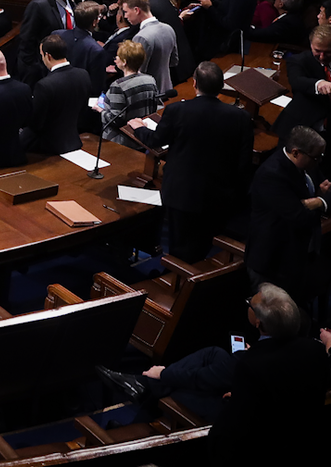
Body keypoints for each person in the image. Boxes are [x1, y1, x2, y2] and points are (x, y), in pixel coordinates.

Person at [97, 285, 329, 467]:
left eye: (250, 304)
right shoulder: (314, 350)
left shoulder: (249, 364)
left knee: (175, 384)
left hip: (257, 437)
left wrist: (165, 373)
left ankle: (141, 406)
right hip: (294, 421)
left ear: (258, 323)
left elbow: (212, 390)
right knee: (213, 353)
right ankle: (144, 392)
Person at [138, 61, 253, 262]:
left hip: (182, 192)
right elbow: (244, 163)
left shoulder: (176, 111)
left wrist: (138, 128)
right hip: (219, 195)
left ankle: (179, 282)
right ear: (221, 86)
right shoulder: (240, 117)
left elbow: (157, 141)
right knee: (204, 245)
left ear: (194, 84)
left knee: (178, 246)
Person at [245, 126, 328, 308]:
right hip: (273, 261)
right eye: (316, 157)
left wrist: (318, 201)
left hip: (296, 256)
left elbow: (323, 190)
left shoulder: (307, 164)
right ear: (296, 152)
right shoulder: (272, 174)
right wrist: (322, 201)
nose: (319, 161)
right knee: (271, 317)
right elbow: (300, 217)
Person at [95, 40, 160, 148]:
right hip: (142, 137)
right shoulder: (150, 79)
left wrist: (100, 110)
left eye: (117, 56)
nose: (115, 59)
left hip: (122, 141)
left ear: (124, 62)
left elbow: (115, 120)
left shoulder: (118, 86)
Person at [19, 0, 80, 80]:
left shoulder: (70, 1)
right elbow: (27, 38)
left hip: (65, 63)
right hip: (44, 68)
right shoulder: (38, 5)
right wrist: (36, 67)